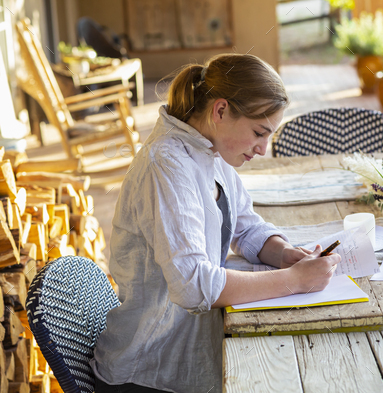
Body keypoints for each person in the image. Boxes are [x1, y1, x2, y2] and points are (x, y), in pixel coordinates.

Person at [90, 53, 341, 393]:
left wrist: (283, 254)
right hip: (149, 367)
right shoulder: (166, 165)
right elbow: (193, 284)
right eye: (258, 132)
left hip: (188, 345)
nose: (264, 149)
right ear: (220, 110)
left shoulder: (211, 149)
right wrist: (294, 280)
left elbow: (247, 227)